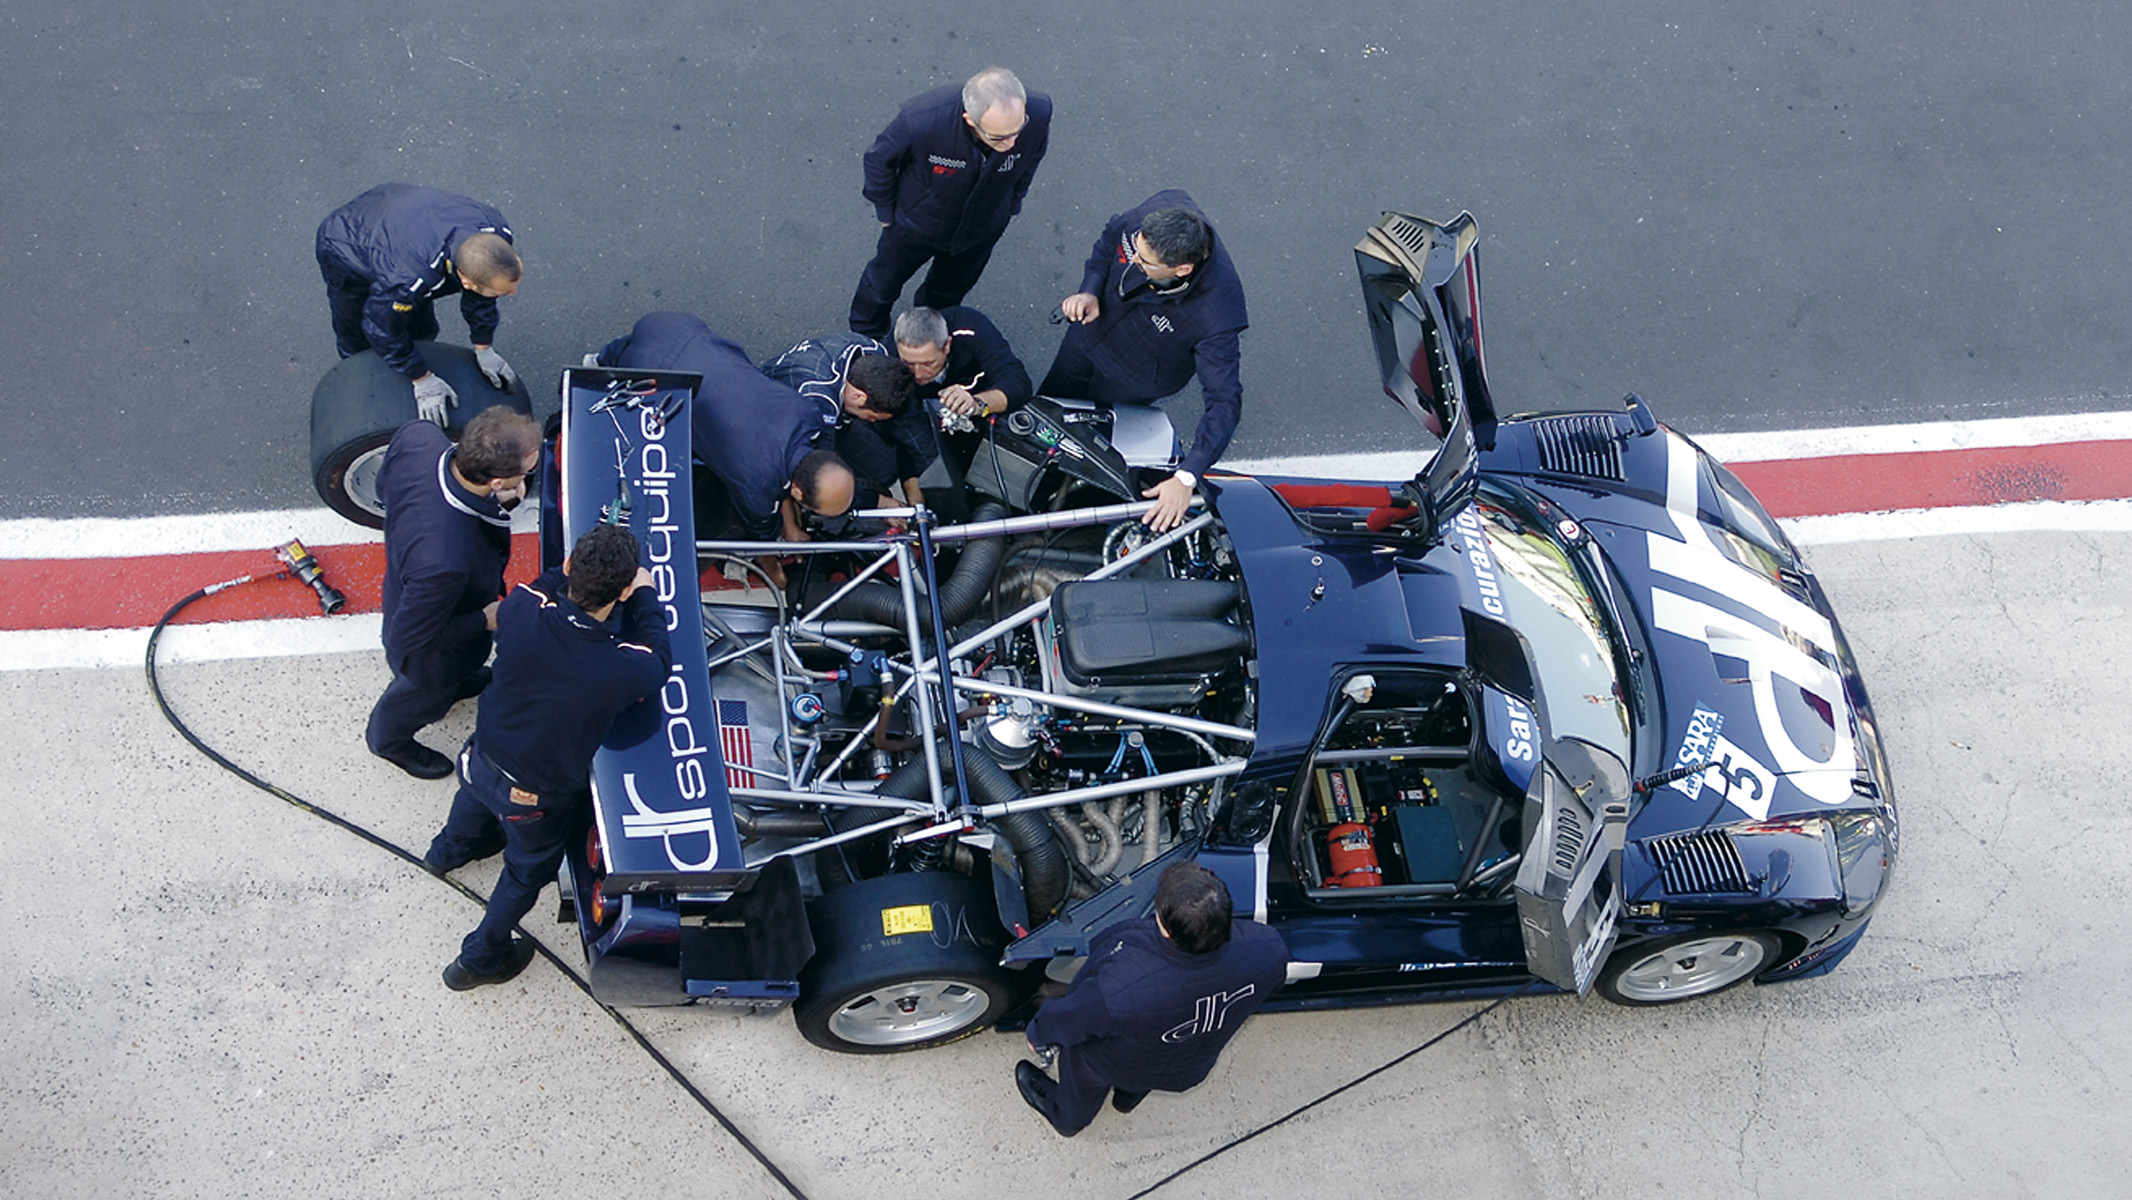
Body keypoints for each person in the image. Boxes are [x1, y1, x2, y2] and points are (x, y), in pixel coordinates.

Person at [423, 524, 674, 990]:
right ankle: (479, 957)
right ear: (621, 591)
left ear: (567, 569)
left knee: (472, 798)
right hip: (533, 796)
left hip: (482, 756)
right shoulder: (620, 667)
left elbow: (544, 587)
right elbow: (660, 658)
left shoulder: (521, 608)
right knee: (524, 874)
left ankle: (445, 854)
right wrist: (645, 597)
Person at [1016, 861, 1290, 1137]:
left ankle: (1066, 1119)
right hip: (1187, 1064)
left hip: (1112, 1062)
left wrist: (1038, 1033)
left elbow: (1073, 1019)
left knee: (1083, 1077)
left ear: (1167, 929)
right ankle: (1126, 1100)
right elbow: (1270, 985)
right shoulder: (1267, 948)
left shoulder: (1121, 986)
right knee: (1150, 1062)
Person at [594, 312, 857, 586]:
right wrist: (775, 574)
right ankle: (603, 372)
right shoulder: (758, 487)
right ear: (798, 492)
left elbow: (789, 465)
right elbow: (761, 540)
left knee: (624, 350)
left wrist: (790, 525)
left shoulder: (807, 412)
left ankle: (603, 358)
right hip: (650, 375)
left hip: (672, 325)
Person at [1042, 190, 1248, 533]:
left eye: (1145, 263)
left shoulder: (1217, 317)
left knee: (1094, 446)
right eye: (1135, 250)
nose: (1133, 261)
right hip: (1086, 337)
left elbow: (1225, 403)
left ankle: (1068, 507)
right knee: (1047, 410)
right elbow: (1109, 240)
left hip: (1131, 381)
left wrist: (1185, 477)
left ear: (1183, 270)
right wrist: (1089, 291)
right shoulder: (1147, 219)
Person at [367, 406, 542, 779]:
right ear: (496, 482)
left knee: (458, 672)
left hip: (411, 582)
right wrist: (484, 618)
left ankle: (458, 683)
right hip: (431, 648)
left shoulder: (420, 438)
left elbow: (385, 486)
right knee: (421, 694)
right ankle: (389, 740)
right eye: (525, 472)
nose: (528, 476)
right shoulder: (446, 560)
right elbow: (410, 637)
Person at [849, 67, 1052, 339]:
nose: (1012, 143)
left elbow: (1032, 158)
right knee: (882, 284)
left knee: (949, 290)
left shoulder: (1038, 114)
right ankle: (866, 336)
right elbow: (878, 161)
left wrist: (1014, 201)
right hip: (916, 223)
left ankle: (928, 339)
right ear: (970, 120)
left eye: (1018, 130)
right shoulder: (921, 120)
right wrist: (885, 211)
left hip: (981, 227)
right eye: (999, 137)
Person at [316, 183, 525, 425]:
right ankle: (361, 373)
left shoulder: (497, 233)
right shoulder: (409, 280)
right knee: (360, 328)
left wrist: (484, 346)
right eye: (506, 290)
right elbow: (380, 327)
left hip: (400, 212)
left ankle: (414, 353)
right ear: (465, 281)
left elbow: (482, 297)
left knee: (419, 323)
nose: (514, 293)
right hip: (346, 242)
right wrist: (422, 379)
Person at [762, 332, 928, 507]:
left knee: (884, 470)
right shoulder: (818, 406)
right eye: (872, 417)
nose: (873, 421)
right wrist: (877, 501)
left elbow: (910, 422)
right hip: (775, 420)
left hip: (816, 395)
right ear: (858, 397)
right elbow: (815, 469)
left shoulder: (874, 352)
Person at [893, 304, 1033, 422]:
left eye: (928, 364)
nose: (918, 374)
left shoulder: (972, 328)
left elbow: (1018, 383)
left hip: (978, 407)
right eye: (908, 363)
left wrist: (977, 404)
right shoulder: (887, 354)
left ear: (947, 345)